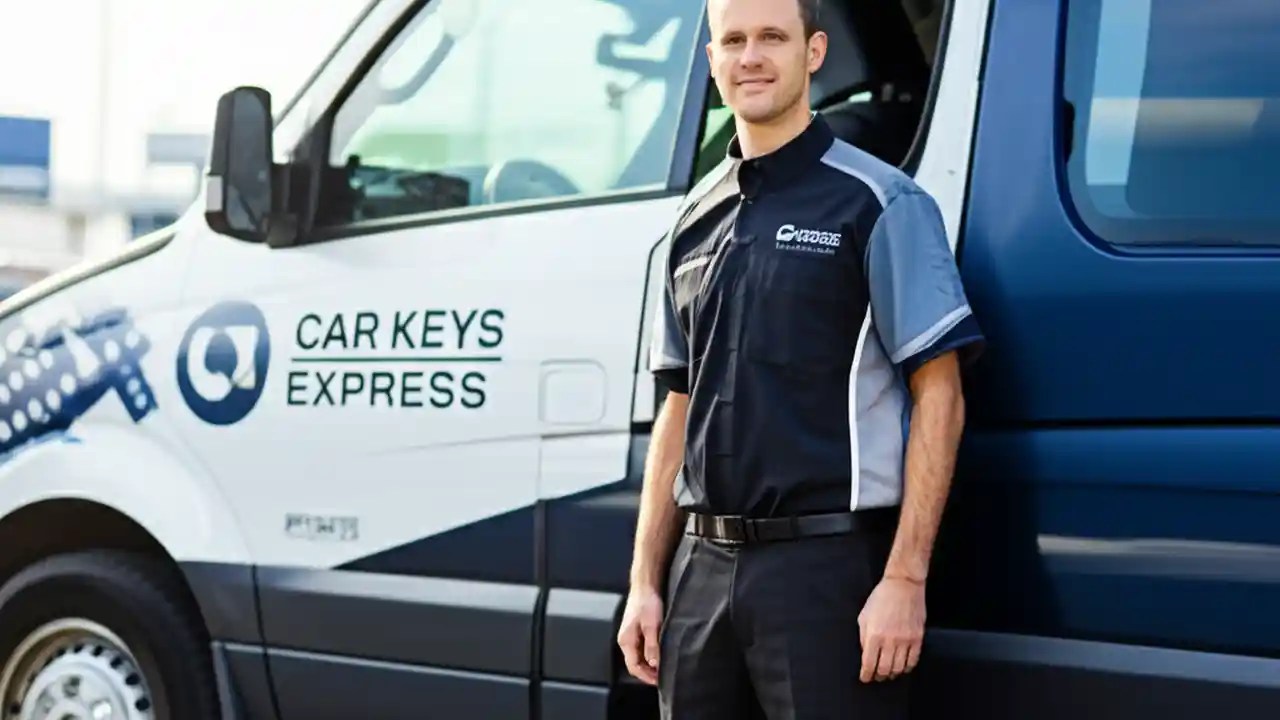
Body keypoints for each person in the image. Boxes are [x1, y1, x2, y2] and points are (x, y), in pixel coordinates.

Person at [615, 0, 985, 717]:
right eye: (734, 41)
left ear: (813, 53)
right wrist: (645, 582)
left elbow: (940, 394)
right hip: (699, 571)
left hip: (826, 574)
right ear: (712, 62)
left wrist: (905, 580)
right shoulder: (691, 222)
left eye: (772, 38)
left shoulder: (881, 203)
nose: (751, 56)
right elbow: (679, 406)